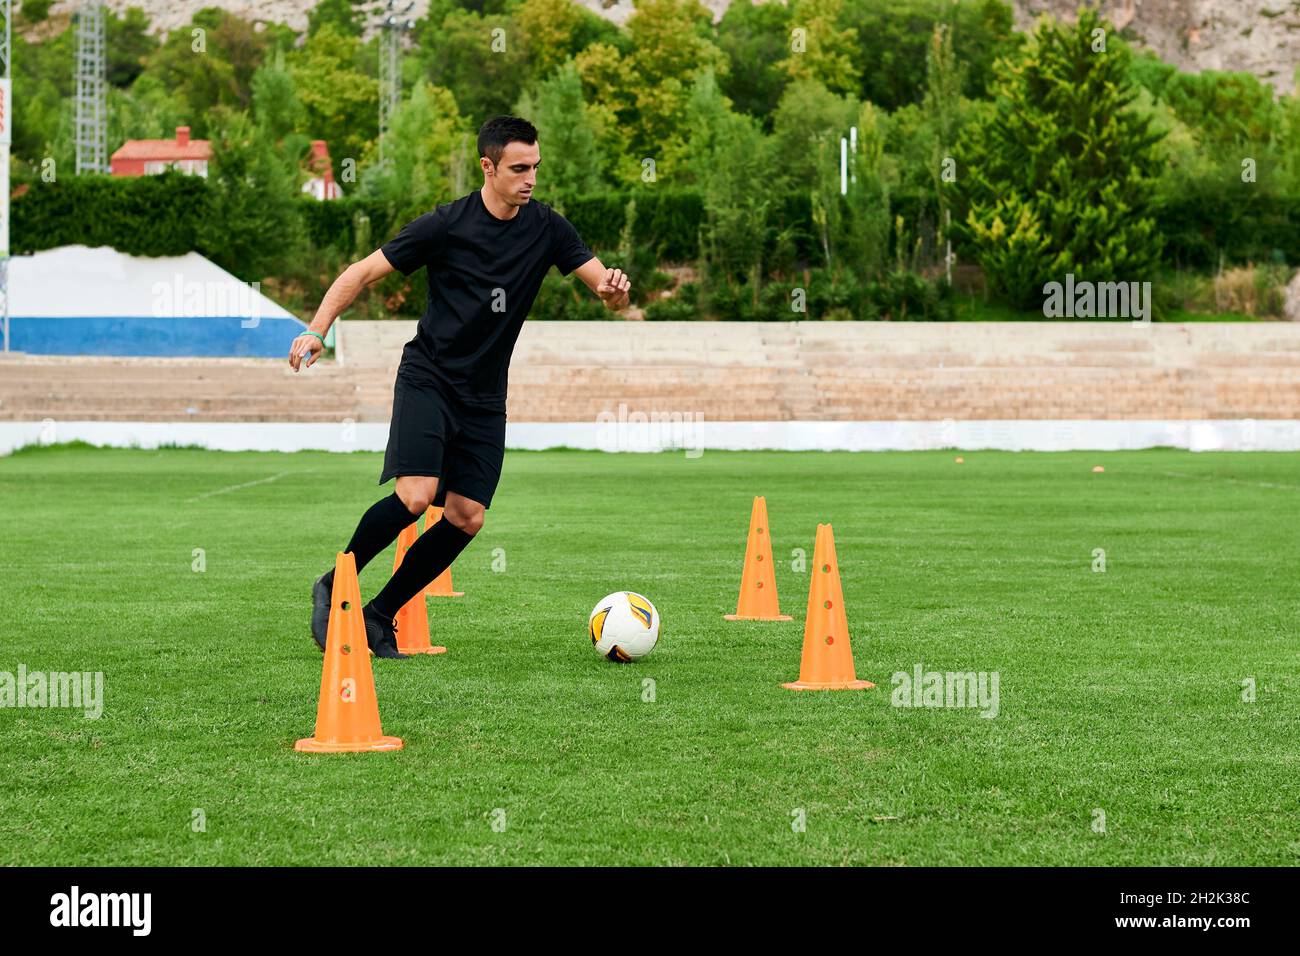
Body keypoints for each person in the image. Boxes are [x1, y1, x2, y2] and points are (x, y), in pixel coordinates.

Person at [288, 115, 631, 657]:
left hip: (485, 396)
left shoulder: (547, 227)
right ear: (488, 167)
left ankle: (380, 615)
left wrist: (614, 291)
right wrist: (316, 329)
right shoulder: (445, 225)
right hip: (429, 379)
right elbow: (360, 272)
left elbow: (604, 289)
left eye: (536, 167)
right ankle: (333, 585)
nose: (531, 178)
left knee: (467, 516)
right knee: (416, 495)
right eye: (519, 168)